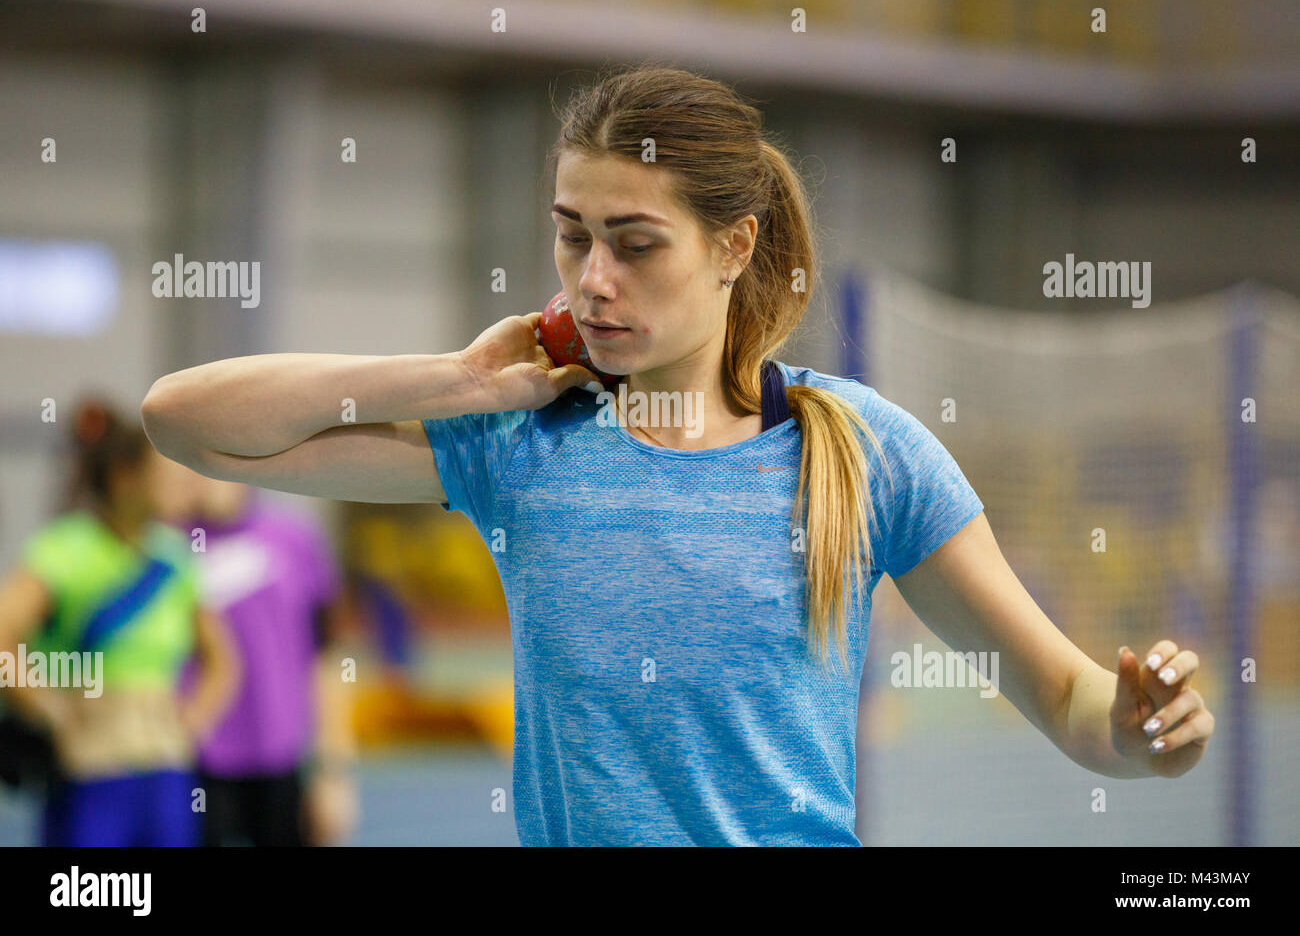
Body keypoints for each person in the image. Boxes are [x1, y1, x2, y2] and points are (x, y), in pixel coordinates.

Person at [139, 63, 1215, 846]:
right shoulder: (521, 438)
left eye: (635, 242)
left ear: (733, 247)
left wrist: (1139, 729)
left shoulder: (861, 451)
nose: (592, 277)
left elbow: (1071, 701)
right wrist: (453, 380)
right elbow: (187, 419)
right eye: (572, 235)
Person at [0, 400, 238, 846]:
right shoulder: (65, 549)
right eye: (168, 471)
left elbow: (223, 661)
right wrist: (47, 708)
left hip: (165, 763)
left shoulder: (174, 557)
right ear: (126, 477)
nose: (182, 483)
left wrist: (194, 718)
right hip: (92, 763)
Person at [177, 474, 357, 846]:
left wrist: (333, 771)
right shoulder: (166, 545)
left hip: (282, 760)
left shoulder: (294, 538)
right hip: (194, 760)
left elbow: (328, 659)